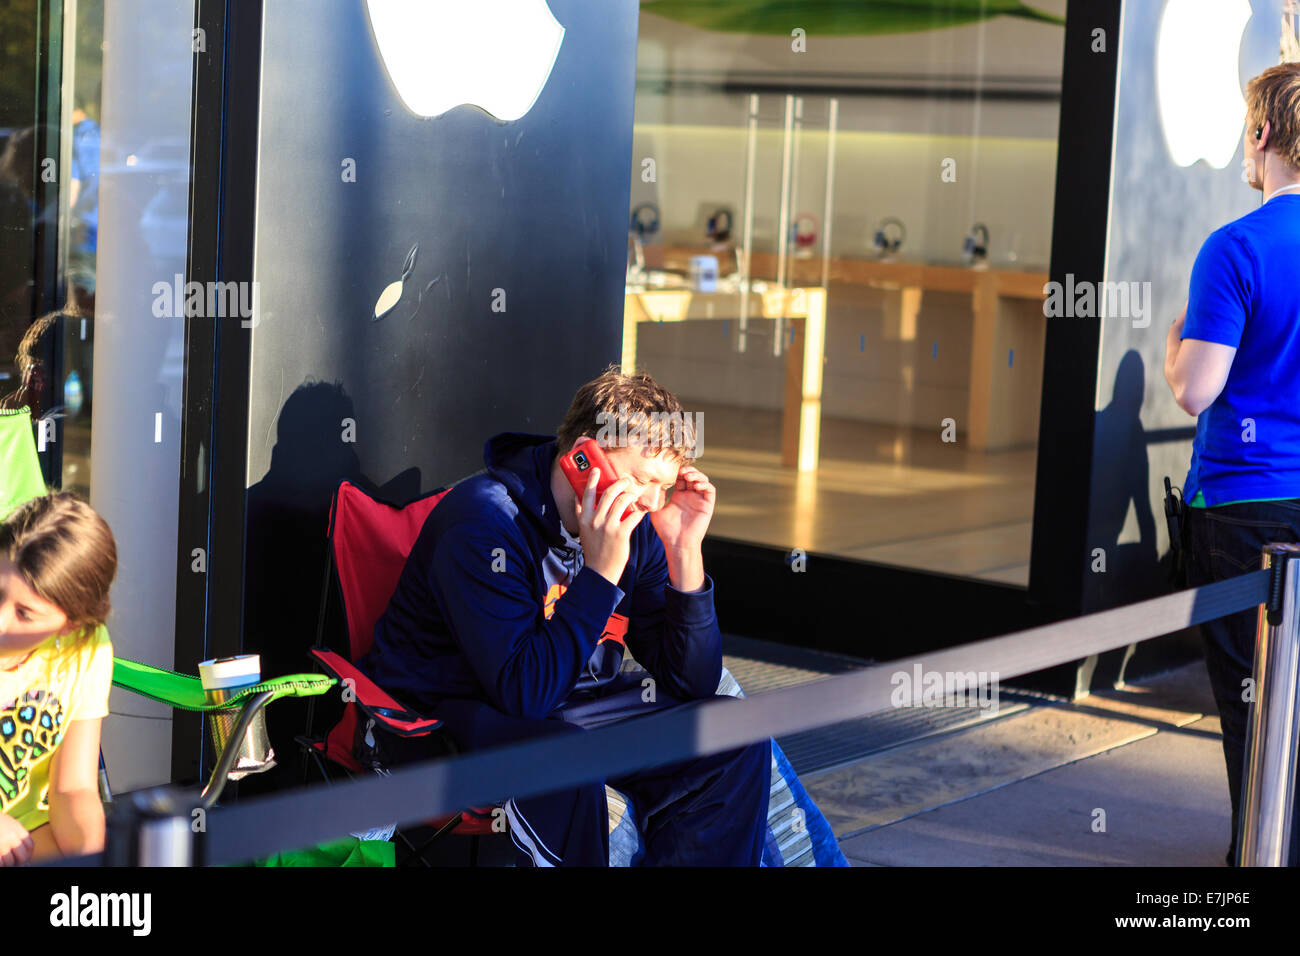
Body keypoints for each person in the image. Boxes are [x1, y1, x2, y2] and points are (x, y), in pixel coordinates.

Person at [360, 366, 770, 866]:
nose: (649, 501)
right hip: (450, 713)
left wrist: (685, 553)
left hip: (567, 705)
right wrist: (600, 574)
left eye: (660, 486)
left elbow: (694, 681)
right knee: (567, 758)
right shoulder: (484, 523)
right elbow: (523, 692)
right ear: (582, 455)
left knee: (732, 733)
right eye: (640, 478)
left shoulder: (636, 526)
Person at [1164, 62, 1300, 866]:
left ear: (1261, 136)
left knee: (1253, 706)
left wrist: (1181, 339)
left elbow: (1193, 390)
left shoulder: (1236, 247)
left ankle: (1257, 858)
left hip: (1244, 511)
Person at [0, 492, 117, 865]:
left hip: (25, 840)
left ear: (71, 624)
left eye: (25, 613)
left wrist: (91, 855)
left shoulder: (87, 648)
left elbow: (73, 787)